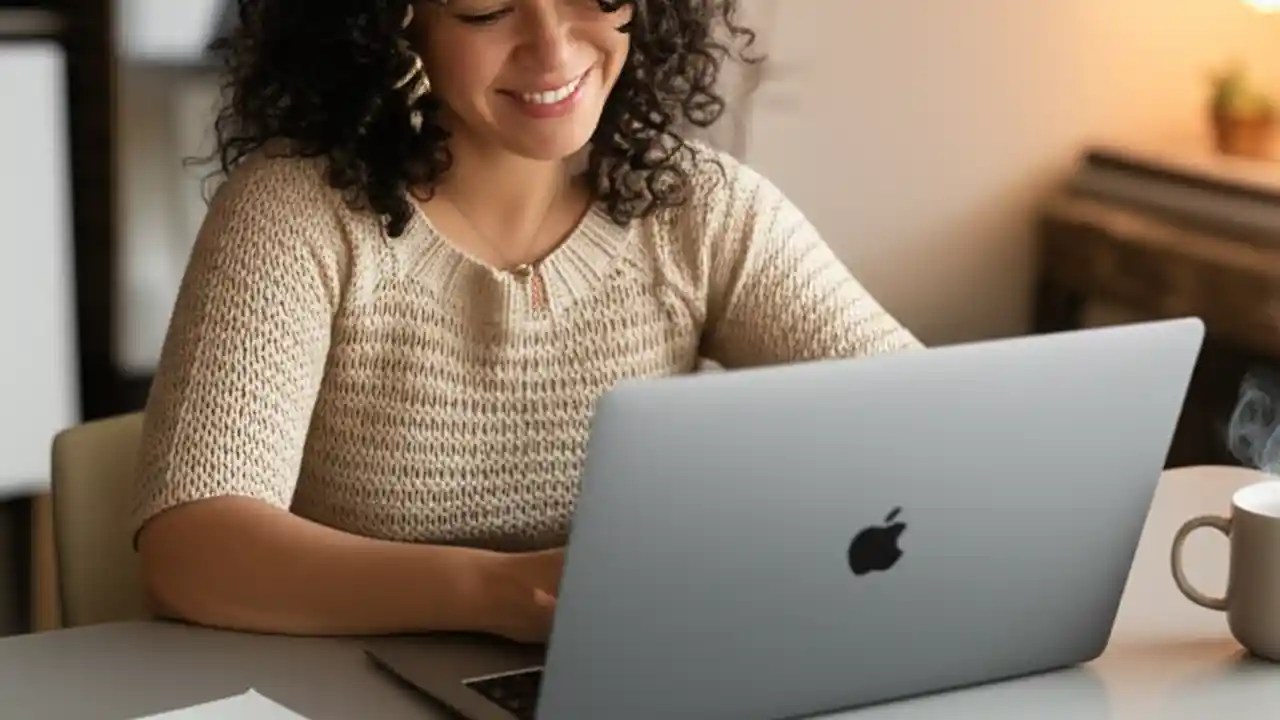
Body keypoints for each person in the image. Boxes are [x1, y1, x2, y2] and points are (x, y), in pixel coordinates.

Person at [132, 0, 923, 645]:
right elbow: (192, 548)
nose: (551, 48)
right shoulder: (296, 215)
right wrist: (500, 592)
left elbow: (935, 427)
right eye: (486, 9)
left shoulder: (700, 209)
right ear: (392, 24)